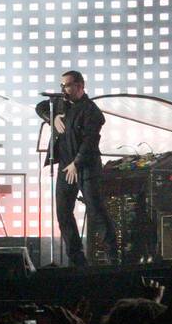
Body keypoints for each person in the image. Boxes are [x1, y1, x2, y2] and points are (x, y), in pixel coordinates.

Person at [35, 71, 116, 266]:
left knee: (96, 210)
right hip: (65, 167)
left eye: (68, 85)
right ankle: (77, 258)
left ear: (80, 86)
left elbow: (90, 141)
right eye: (62, 85)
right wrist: (51, 118)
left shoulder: (91, 112)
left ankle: (112, 256)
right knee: (63, 211)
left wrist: (76, 164)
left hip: (85, 167)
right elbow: (40, 107)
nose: (64, 89)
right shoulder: (60, 104)